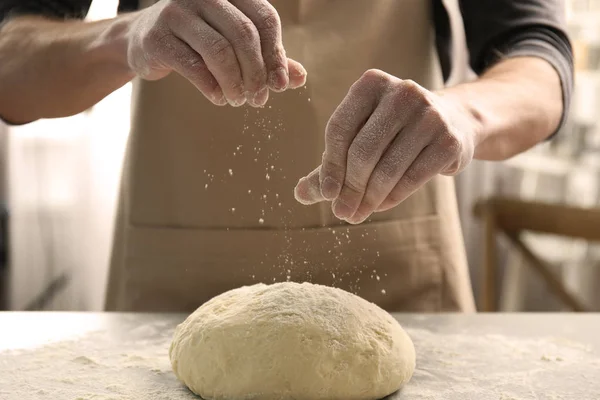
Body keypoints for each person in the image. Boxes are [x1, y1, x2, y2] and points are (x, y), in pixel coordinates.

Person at [0, 0, 573, 312]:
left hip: (399, 279)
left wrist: (466, 115)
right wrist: (124, 35)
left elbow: (542, 60)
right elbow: (11, 67)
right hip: (175, 289)